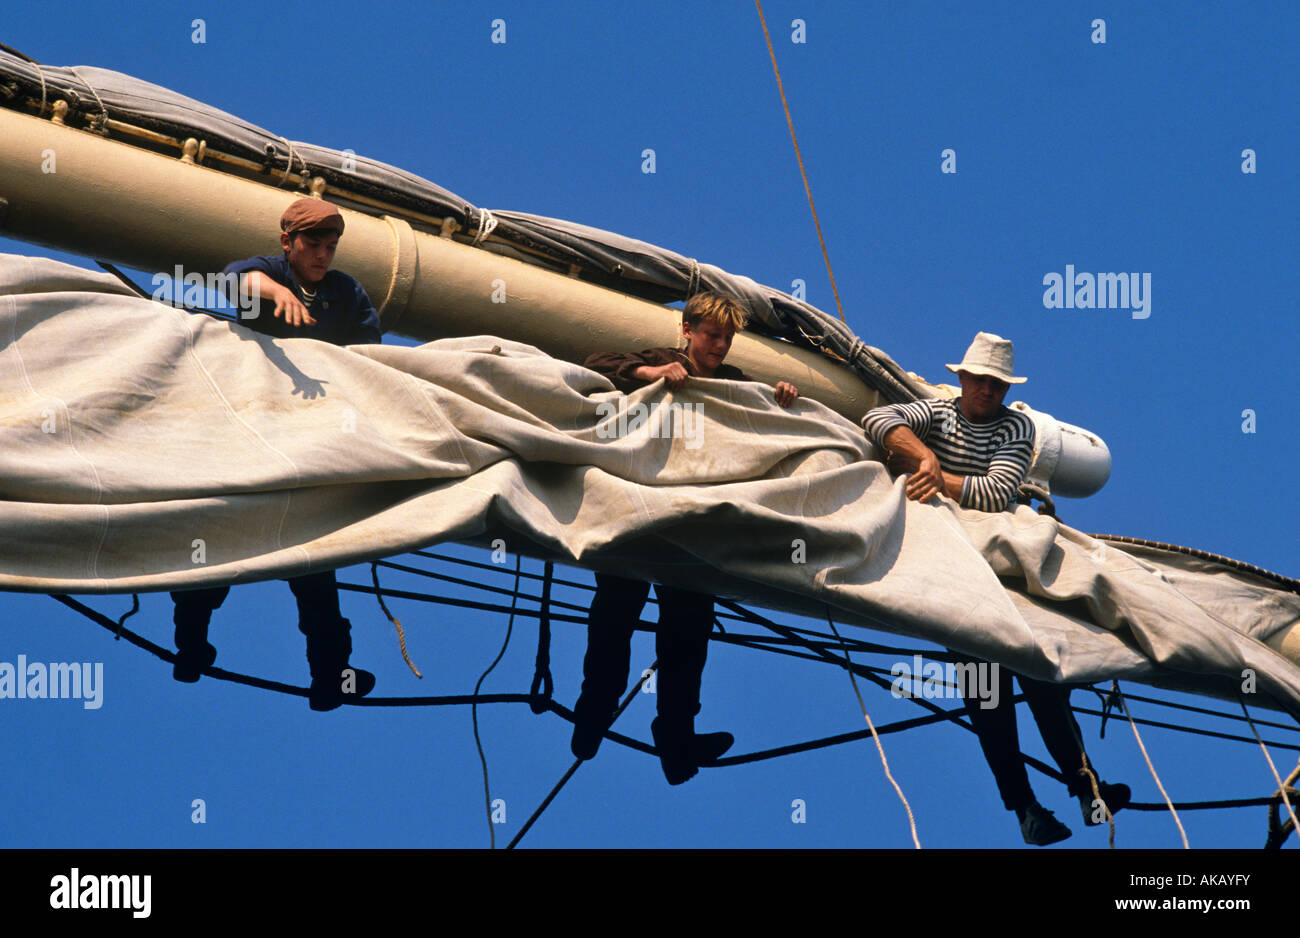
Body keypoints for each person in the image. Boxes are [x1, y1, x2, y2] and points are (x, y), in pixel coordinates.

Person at [861, 331, 1129, 845]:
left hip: (1001, 574)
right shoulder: (938, 414)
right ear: (961, 379)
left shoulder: (1015, 427)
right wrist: (925, 457)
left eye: (997, 384)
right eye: (979, 381)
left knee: (1045, 682)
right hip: (953, 574)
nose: (987, 390)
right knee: (988, 699)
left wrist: (935, 480)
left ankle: (1087, 791)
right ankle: (1026, 810)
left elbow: (994, 493)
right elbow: (879, 421)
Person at [575, 292, 800, 784]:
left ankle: (676, 740)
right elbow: (596, 363)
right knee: (615, 613)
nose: (719, 346)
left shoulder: (734, 383)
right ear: (688, 331)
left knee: (688, 634)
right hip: (638, 505)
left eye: (726, 338)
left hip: (693, 524)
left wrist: (779, 395)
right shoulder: (660, 359)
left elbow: (761, 414)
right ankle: (594, 711)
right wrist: (651, 376)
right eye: (711, 335)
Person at [170, 197, 382, 712]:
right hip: (249, 436)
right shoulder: (269, 273)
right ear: (288, 242)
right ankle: (192, 649)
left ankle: (331, 677)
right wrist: (275, 292)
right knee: (215, 553)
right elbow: (232, 279)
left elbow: (374, 358)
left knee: (316, 575)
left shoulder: (344, 292)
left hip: (305, 451)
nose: (323, 255)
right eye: (313, 244)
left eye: (331, 247)